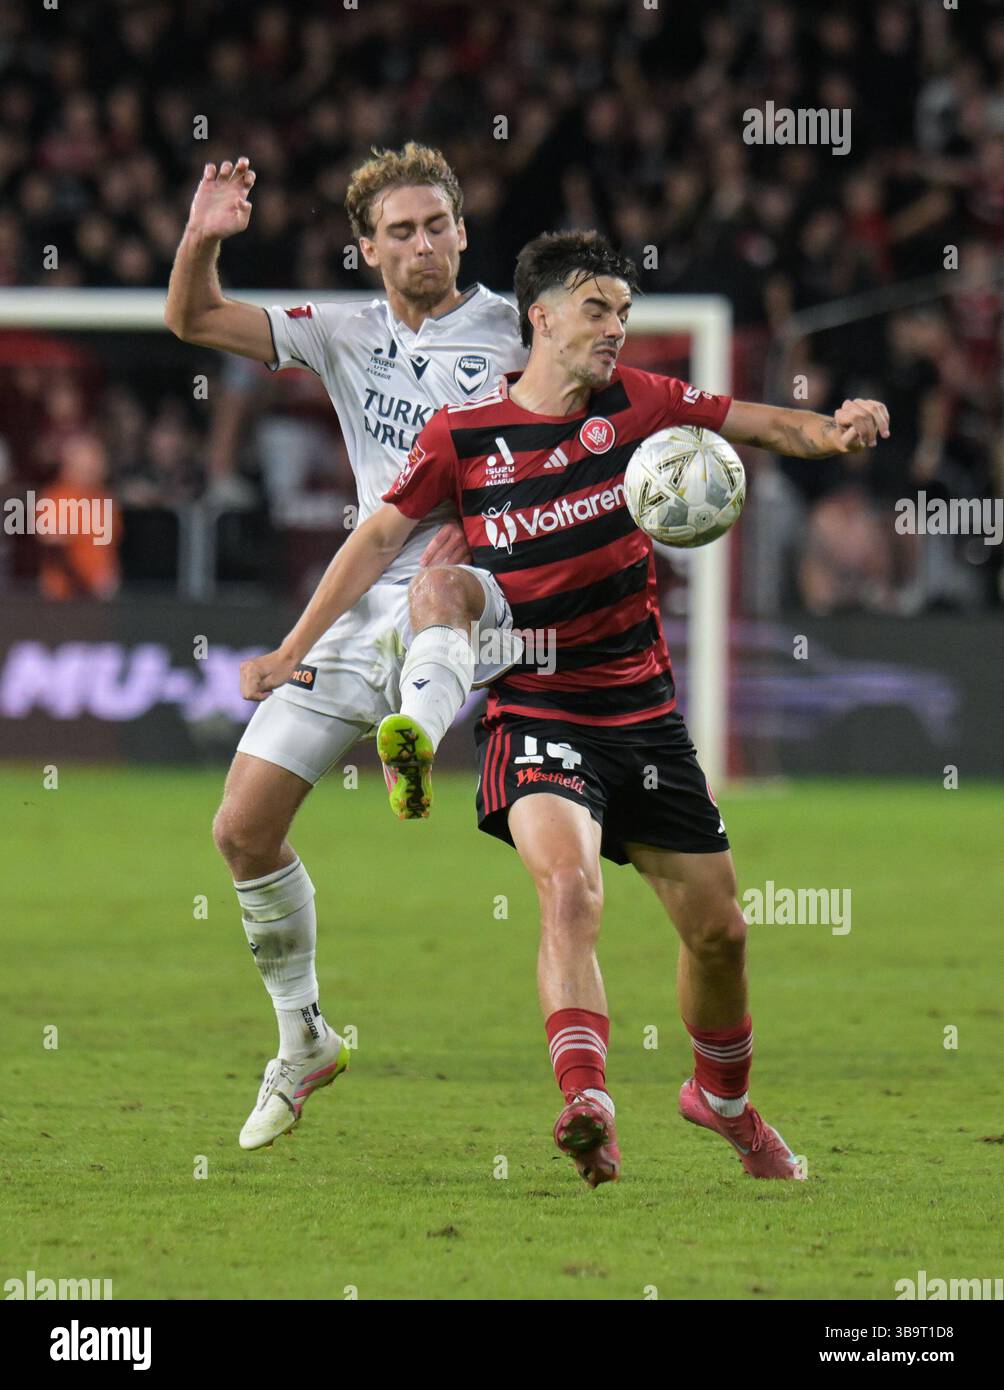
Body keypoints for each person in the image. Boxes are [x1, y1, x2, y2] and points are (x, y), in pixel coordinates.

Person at [248, 230, 889, 1185]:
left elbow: (759, 424)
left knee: (721, 934)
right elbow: (378, 534)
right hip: (533, 707)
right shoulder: (465, 438)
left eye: (625, 313)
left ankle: (721, 1100)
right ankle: (586, 1098)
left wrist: (830, 429)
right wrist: (294, 649)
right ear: (539, 318)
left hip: (637, 709)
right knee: (568, 887)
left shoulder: (643, 405)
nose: (617, 329)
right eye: (599, 310)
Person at [165, 143, 528, 1150]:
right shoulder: (342, 333)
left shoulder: (516, 329)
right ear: (366, 248)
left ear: (462, 228)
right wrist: (200, 238)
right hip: (360, 592)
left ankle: (414, 730)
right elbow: (193, 317)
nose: (424, 244)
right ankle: (304, 1038)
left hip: (472, 586)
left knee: (442, 587)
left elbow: (604, 409)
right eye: (401, 231)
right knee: (240, 829)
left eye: (438, 224)